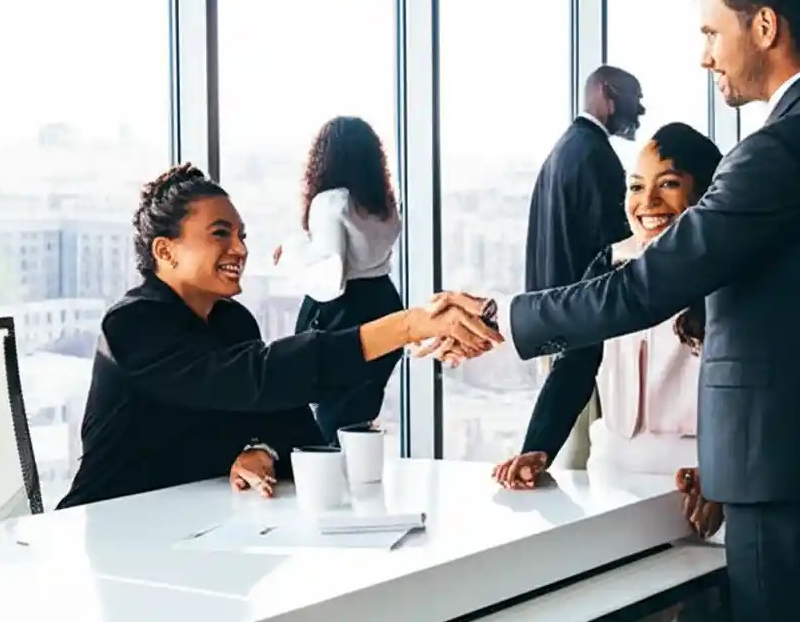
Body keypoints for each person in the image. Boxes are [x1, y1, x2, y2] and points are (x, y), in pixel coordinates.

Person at [424, 0, 800, 622]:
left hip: (785, 474)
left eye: (711, 33)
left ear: (764, 26)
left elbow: (647, 285)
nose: (705, 56)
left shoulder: (779, 152)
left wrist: (500, 318)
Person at [58, 164, 498, 509]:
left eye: (241, 236)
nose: (240, 249)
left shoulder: (232, 322)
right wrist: (407, 325)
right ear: (164, 250)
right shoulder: (132, 325)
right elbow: (256, 379)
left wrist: (262, 450)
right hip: (110, 527)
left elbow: (295, 429)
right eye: (220, 234)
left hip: (201, 527)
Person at [494, 122, 724, 622]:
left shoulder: (724, 273)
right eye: (636, 186)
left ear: (706, 193)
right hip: (611, 498)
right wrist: (538, 448)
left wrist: (722, 473)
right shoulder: (611, 263)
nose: (647, 202)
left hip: (691, 502)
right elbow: (577, 363)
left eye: (668, 184)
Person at [524, 64, 647, 468]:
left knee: (565, 452)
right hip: (582, 329)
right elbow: (615, 252)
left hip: (553, 322)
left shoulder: (562, 151)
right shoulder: (596, 157)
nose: (640, 110)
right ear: (607, 94)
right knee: (579, 459)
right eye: (635, 98)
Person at [274, 116, 403, 443]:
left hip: (343, 313)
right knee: (357, 416)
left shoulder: (332, 201)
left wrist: (290, 249)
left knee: (329, 421)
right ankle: (359, 470)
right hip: (385, 304)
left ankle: (328, 473)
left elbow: (329, 270)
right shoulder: (385, 204)